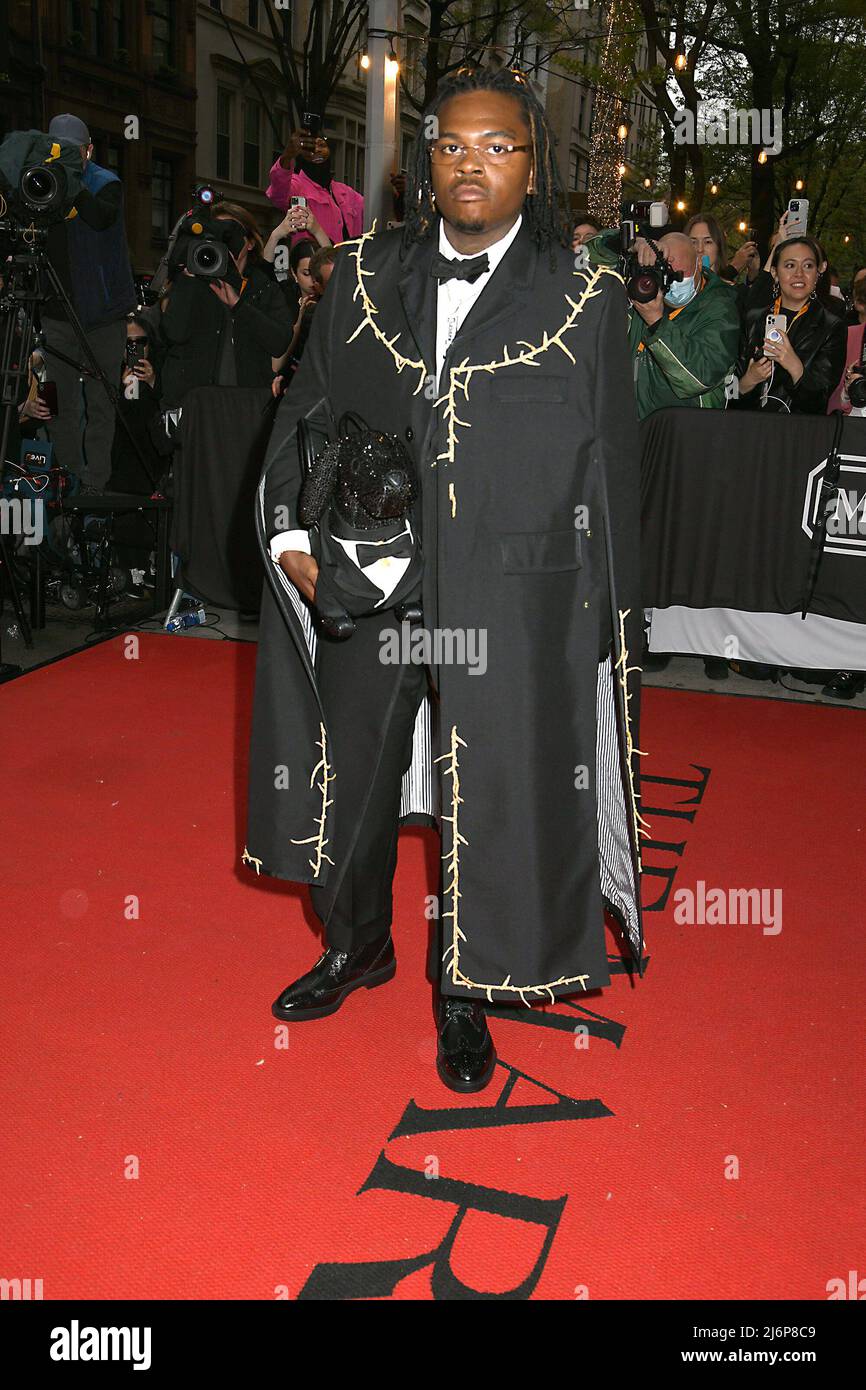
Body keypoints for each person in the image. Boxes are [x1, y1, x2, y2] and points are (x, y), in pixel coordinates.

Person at [245, 65, 646, 1094]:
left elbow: (609, 462)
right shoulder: (364, 272)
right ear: (426, 159)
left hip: (509, 597)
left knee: (491, 788)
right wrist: (291, 526)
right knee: (356, 771)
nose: (472, 165)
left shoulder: (586, 294)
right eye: (453, 145)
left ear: (530, 164)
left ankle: (464, 989)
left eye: (497, 146)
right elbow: (309, 406)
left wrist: (601, 621)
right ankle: (355, 941)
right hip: (371, 580)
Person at [40, 113, 137, 494]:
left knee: (101, 405)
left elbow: (99, 218)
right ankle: (65, 483)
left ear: (89, 151)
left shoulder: (105, 184)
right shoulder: (43, 182)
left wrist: (71, 180)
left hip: (103, 314)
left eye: (72, 151)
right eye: (57, 151)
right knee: (62, 406)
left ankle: (96, 490)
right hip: (58, 314)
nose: (64, 157)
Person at [585, 227, 741, 419]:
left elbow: (699, 377)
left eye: (680, 275)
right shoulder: (644, 289)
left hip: (684, 431)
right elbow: (585, 257)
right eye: (666, 271)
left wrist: (656, 322)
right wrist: (631, 243)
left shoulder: (720, 309)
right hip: (630, 426)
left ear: (699, 264)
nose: (672, 281)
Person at [157, 202, 293, 410]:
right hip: (196, 406)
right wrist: (188, 280)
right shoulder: (195, 282)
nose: (225, 243)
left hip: (246, 406)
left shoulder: (265, 287)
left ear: (250, 243)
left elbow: (279, 342)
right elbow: (174, 333)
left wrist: (239, 306)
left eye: (231, 235)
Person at [734, 234, 846, 415]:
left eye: (808, 266)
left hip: (799, 433)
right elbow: (728, 393)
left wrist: (794, 366)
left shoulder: (831, 327)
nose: (799, 274)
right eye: (789, 265)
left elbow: (819, 401)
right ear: (774, 273)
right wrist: (749, 380)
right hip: (751, 428)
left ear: (818, 273)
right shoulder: (753, 319)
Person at [265, 127, 363, 248]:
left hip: (347, 264)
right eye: (310, 148)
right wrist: (288, 155)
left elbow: (374, 211)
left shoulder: (347, 193)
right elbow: (278, 193)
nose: (317, 150)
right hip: (311, 264)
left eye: (321, 145)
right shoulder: (296, 185)